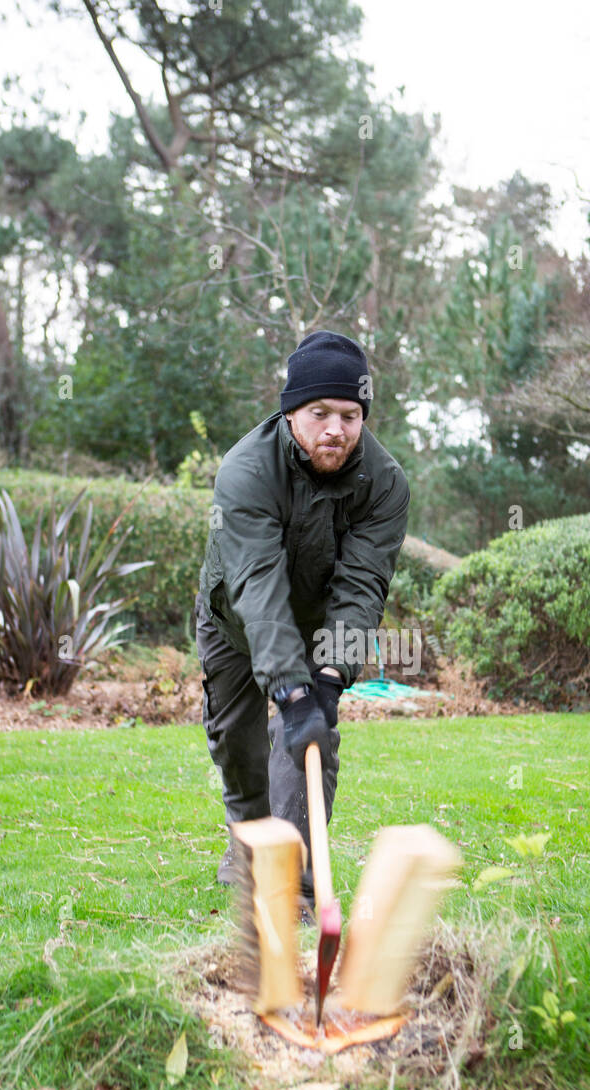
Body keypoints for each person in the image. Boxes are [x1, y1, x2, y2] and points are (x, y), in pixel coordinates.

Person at [195, 330, 410, 907]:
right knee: (238, 745)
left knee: (311, 736)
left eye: (349, 414)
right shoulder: (246, 470)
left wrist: (329, 677)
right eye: (319, 413)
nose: (335, 429)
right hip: (236, 618)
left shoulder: (384, 484)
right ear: (291, 412)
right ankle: (247, 847)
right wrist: (288, 693)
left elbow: (362, 584)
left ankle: (298, 876)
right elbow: (257, 588)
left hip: (319, 625)